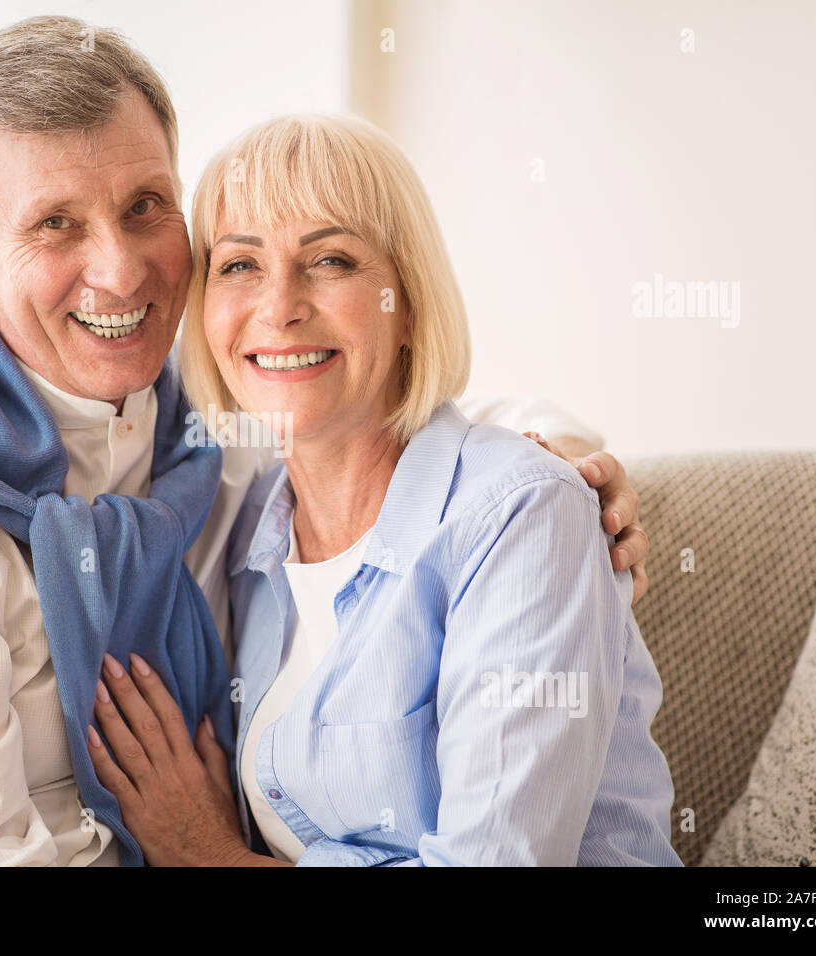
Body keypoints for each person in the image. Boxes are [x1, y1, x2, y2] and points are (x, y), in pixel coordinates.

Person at [0, 17, 648, 868]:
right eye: (54, 225)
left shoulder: (201, 436)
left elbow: (367, 414)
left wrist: (551, 449)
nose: (120, 273)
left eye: (143, 208)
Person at [86, 114, 681, 866]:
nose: (278, 307)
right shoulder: (250, 529)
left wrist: (207, 853)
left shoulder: (526, 516)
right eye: (238, 266)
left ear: (410, 305)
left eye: (331, 260)